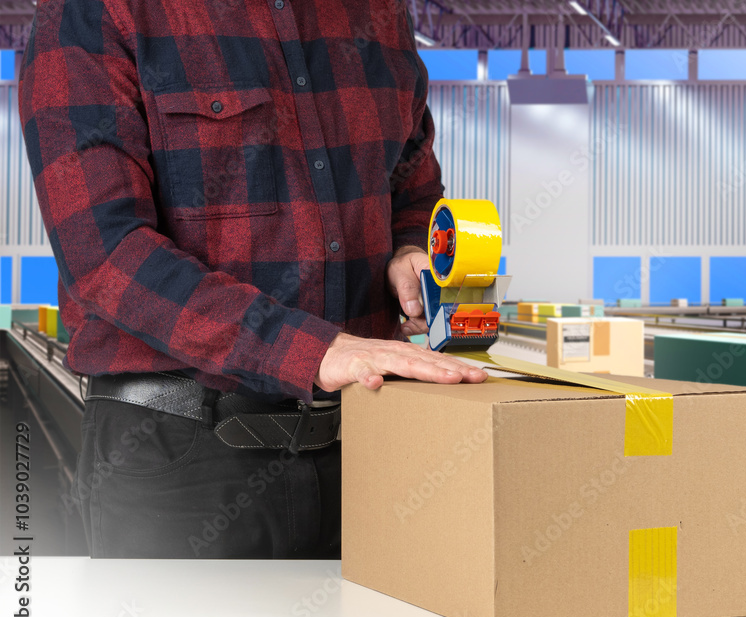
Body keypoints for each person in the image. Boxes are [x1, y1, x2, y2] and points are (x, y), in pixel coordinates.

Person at [19, 0, 487, 558]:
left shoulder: (379, 13)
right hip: (182, 456)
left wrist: (408, 247)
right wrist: (312, 350)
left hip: (369, 444)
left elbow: (411, 175)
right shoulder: (98, 12)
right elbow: (105, 256)